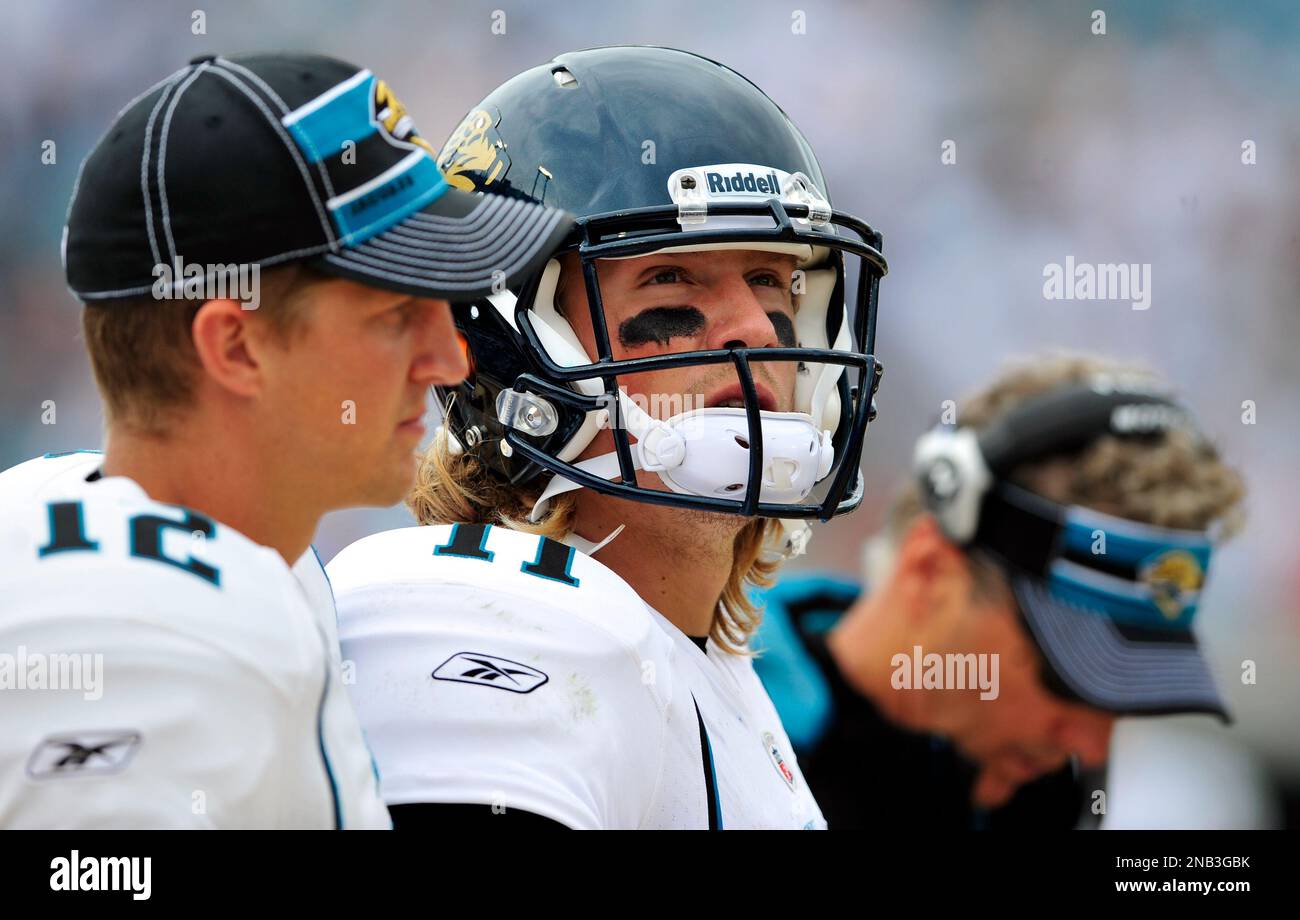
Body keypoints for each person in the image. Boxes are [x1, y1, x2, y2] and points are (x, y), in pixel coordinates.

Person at [0, 51, 570, 828]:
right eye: (396, 316)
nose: (447, 360)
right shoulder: (136, 633)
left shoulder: (262, 559)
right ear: (236, 348)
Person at [326, 46, 888, 829]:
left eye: (771, 279)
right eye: (673, 278)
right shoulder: (485, 609)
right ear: (511, 345)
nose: (757, 327)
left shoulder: (713, 661)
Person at [752, 354, 1246, 828]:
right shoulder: (714, 727)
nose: (1092, 746)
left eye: (1123, 689)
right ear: (931, 571)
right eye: (1066, 675)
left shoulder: (1046, 795)